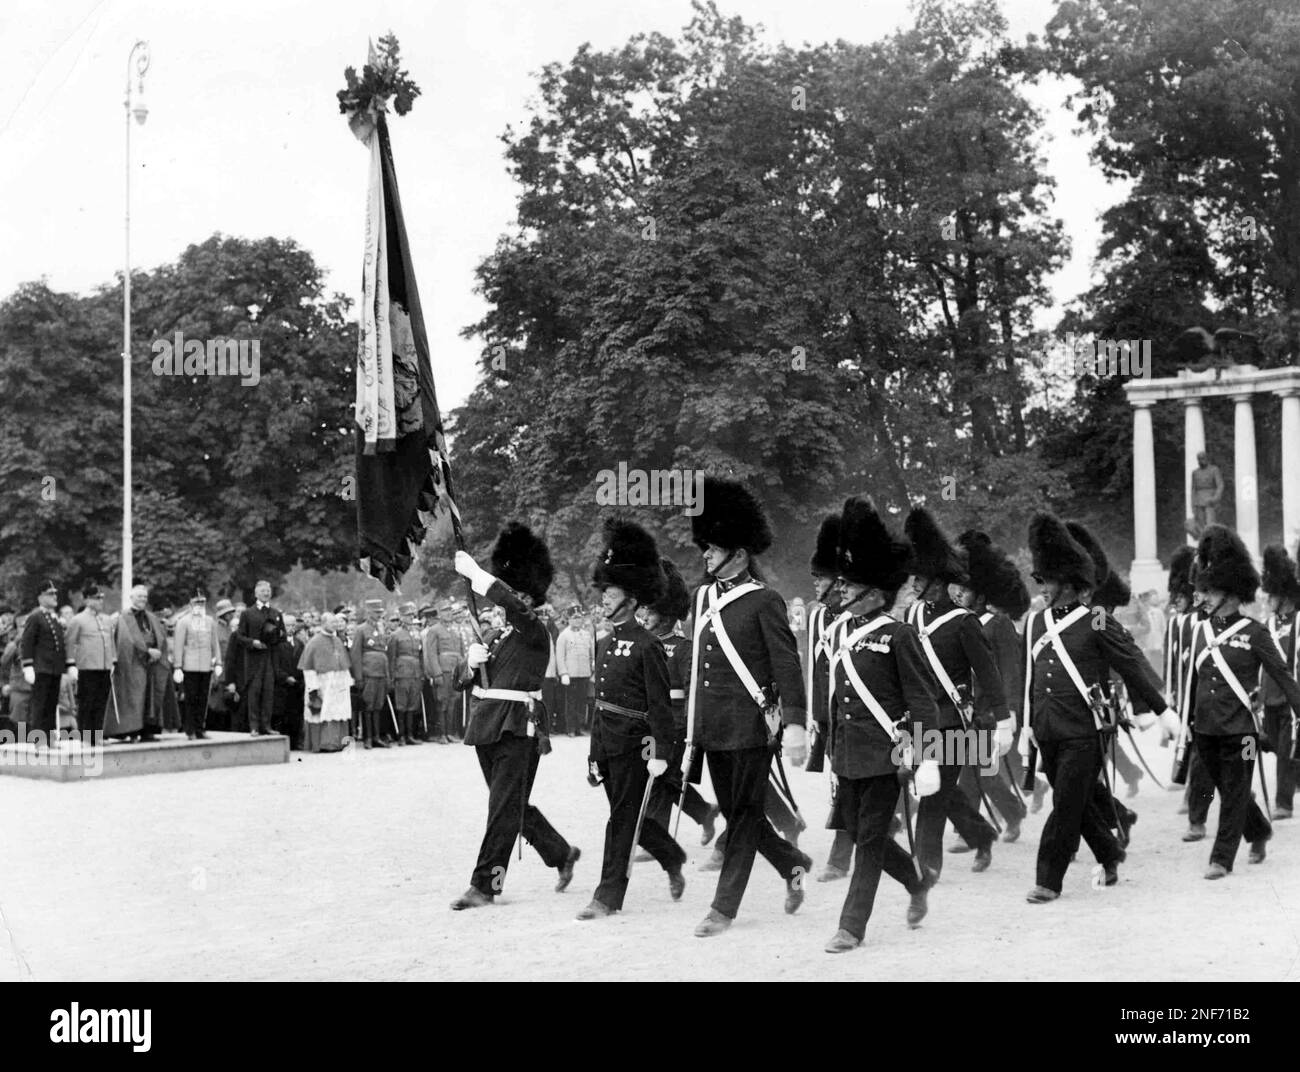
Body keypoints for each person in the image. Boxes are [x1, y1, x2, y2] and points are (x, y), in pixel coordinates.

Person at [1021, 515, 1172, 903]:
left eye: (1048, 581)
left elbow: (1132, 662)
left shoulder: (1098, 618)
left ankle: (1048, 880)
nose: (1043, 589)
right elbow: (1030, 678)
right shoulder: (1036, 623)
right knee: (1081, 801)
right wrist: (1026, 725)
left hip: (1084, 730)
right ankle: (1109, 851)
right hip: (1047, 728)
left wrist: (1161, 709)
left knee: (1066, 804)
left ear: (1070, 584)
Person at [687, 478, 811, 939]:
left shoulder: (764, 600)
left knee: (741, 817)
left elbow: (787, 665)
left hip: (752, 726)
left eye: (713, 548)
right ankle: (792, 864)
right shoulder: (702, 599)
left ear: (737, 554)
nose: (705, 555)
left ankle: (723, 908)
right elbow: (696, 667)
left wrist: (795, 723)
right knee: (748, 816)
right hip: (713, 727)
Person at [823, 497, 940, 953]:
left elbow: (922, 700)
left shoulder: (898, 635)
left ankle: (851, 926)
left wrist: (926, 756)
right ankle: (917, 879)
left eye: (849, 586)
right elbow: (836, 701)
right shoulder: (839, 634)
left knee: (869, 839)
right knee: (856, 831)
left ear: (873, 592)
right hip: (848, 753)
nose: (841, 592)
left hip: (886, 754)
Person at [449, 522, 580, 910]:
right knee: (511, 805)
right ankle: (560, 852)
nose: (506, 602)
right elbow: (461, 684)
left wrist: (478, 576)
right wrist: (468, 666)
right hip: (487, 726)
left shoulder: (536, 630)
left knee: (502, 808)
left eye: (516, 594)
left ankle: (485, 885)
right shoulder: (495, 636)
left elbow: (514, 606)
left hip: (518, 728)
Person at [577, 520, 685, 919]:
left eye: (611, 590)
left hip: (637, 746)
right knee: (627, 816)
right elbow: (599, 703)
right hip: (608, 741)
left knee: (620, 819)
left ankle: (607, 896)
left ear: (632, 598)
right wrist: (593, 751)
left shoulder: (649, 645)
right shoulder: (603, 642)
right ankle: (671, 856)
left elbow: (660, 707)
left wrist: (661, 751)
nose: (604, 598)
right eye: (604, 590)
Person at [1186, 527, 1300, 877]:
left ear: (1231, 595)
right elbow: (1195, 682)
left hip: (1244, 731)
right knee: (1227, 789)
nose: (1203, 598)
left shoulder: (1254, 632)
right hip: (1205, 727)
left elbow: (1283, 674)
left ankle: (1221, 858)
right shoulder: (1200, 631)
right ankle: (1260, 830)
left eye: (1210, 592)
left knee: (1235, 791)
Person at [904, 507, 1012, 878]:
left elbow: (989, 674)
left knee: (933, 795)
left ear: (938, 580)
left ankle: (925, 869)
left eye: (919, 577)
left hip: (953, 723)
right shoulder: (911, 618)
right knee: (939, 791)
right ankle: (981, 835)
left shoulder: (964, 622)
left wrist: (1003, 720)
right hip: (919, 722)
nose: (913, 584)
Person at [951, 530, 1032, 842]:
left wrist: (1008, 713)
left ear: (981, 596)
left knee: (977, 773)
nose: (960, 595)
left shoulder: (999, 625)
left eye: (966, 590)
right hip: (963, 710)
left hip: (988, 712)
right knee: (974, 772)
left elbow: (1010, 673)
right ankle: (1008, 813)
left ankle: (972, 830)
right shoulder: (959, 623)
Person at [642, 558, 720, 844]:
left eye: (650, 611)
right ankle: (704, 812)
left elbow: (690, 691)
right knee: (667, 779)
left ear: (664, 614)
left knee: (662, 781)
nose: (644, 616)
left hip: (674, 725)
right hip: (650, 723)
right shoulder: (646, 645)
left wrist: (687, 729)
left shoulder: (684, 649)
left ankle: (657, 841)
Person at [804, 513, 855, 882]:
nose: (814, 584)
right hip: (829, 715)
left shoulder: (858, 618)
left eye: (820, 578)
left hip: (859, 717)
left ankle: (840, 858)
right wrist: (816, 717)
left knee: (848, 783)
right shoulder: (817, 618)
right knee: (844, 783)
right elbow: (813, 670)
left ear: (839, 582)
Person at [1259, 545, 1300, 818]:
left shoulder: (1299, 620)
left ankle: (1283, 803)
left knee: (1286, 750)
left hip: (1291, 699)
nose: (1267, 599)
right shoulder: (1267, 624)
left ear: (1283, 596)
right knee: (1275, 746)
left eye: (1271, 595)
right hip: (1269, 698)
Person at [107, 584, 168, 742]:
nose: (143, 599)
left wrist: (156, 651)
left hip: (152, 664)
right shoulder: (122, 618)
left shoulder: (152, 618)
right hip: (133, 663)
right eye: (139, 596)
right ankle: (133, 730)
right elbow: (125, 642)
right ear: (131, 597)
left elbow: (159, 638)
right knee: (134, 698)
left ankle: (148, 730)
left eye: (145, 597)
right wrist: (147, 652)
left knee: (151, 697)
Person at [19, 579, 69, 745]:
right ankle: (39, 739)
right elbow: (27, 643)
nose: (55, 596)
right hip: (41, 668)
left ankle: (50, 738)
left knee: (51, 704)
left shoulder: (53, 617)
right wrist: (27, 666)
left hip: (54, 668)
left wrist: (66, 666)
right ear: (40, 597)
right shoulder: (35, 617)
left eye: (55, 593)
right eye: (50, 593)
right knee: (40, 705)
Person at [232, 580, 286, 736]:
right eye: (263, 591)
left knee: (268, 693)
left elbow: (282, 635)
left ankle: (266, 725)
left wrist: (277, 637)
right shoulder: (247, 613)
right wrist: (252, 642)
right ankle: (254, 726)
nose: (266, 593)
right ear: (256, 594)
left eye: (268, 591)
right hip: (254, 659)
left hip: (269, 657)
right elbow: (240, 636)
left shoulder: (276, 613)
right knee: (254, 693)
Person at [65, 583, 116, 740]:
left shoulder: (106, 620)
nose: (100, 601)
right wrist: (71, 664)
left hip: (104, 666)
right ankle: (87, 737)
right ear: (86, 600)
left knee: (101, 702)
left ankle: (98, 735)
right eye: (96, 598)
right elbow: (70, 643)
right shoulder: (78, 620)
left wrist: (113, 661)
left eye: (101, 598)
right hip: (87, 666)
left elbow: (110, 641)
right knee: (88, 703)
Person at [298, 612, 353, 753]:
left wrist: (347, 680)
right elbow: (308, 667)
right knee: (322, 712)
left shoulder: (337, 640)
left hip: (338, 685)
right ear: (323, 623)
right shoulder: (314, 642)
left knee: (339, 711)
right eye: (331, 622)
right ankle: (324, 744)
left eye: (336, 622)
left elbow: (343, 663)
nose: (335, 625)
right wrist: (313, 687)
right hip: (323, 684)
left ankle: (340, 742)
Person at [171, 590, 223, 740]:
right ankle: (190, 729)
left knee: (203, 699)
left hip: (206, 664)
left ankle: (200, 728)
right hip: (190, 665)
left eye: (202, 603)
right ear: (191, 604)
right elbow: (179, 645)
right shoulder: (184, 622)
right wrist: (178, 666)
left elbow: (215, 643)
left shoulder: (209, 621)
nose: (199, 606)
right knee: (191, 698)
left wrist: (218, 661)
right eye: (196, 603)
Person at [352, 599, 393, 748]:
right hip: (368, 673)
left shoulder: (382, 629)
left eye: (380, 613)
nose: (378, 615)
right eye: (376, 612)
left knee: (378, 706)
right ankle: (367, 738)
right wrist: (358, 677)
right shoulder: (361, 629)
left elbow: (384, 653)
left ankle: (376, 736)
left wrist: (387, 675)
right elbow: (355, 654)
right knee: (368, 706)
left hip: (381, 672)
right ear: (368, 612)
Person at [388, 602, 425, 745]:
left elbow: (420, 656)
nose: (411, 618)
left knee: (412, 705)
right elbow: (391, 657)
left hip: (415, 674)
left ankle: (410, 735)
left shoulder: (416, 634)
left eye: (412, 615)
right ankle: (401, 736)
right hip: (401, 673)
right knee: (402, 705)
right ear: (401, 617)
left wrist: (421, 673)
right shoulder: (395, 635)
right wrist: (392, 677)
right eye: (407, 615)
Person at [556, 605, 595, 738]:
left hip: (584, 673)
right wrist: (563, 673)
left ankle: (578, 728)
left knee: (581, 702)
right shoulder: (564, 635)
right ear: (569, 619)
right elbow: (559, 657)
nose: (578, 620)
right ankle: (570, 728)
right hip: (570, 674)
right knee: (570, 702)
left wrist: (592, 669)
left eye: (579, 618)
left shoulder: (586, 634)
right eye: (574, 618)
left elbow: (591, 655)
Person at [273, 614, 305, 747]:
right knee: (282, 714)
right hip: (282, 685)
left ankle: (295, 740)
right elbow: (274, 665)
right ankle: (283, 741)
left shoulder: (299, 643)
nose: (291, 628)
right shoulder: (277, 643)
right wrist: (285, 677)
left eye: (293, 625)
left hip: (297, 684)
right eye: (288, 625)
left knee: (296, 713)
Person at [1190, 451, 1225, 534]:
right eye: (1199, 459)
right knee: (1200, 527)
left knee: (1211, 526)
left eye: (1203, 458)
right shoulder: (1195, 473)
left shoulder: (1214, 469)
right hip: (1198, 502)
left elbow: (1220, 485)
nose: (1201, 461)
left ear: (1207, 459)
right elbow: (1193, 489)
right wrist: (1193, 504)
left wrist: (1215, 498)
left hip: (1210, 501)